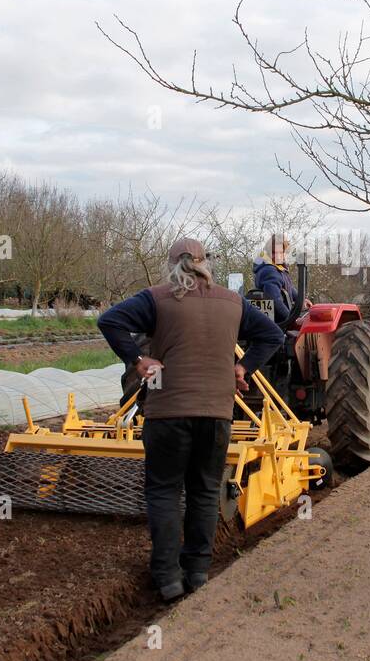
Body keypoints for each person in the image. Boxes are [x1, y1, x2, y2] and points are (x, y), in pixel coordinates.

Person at [97, 238, 284, 601]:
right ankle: (198, 572)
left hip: (168, 414)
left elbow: (110, 321)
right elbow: (272, 334)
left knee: (165, 492)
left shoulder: (157, 297)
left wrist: (138, 360)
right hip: (216, 415)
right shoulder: (232, 302)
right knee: (204, 491)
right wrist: (243, 367)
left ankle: (167, 578)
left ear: (172, 265)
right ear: (205, 264)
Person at [252, 233, 311, 324]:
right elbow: (275, 301)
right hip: (279, 322)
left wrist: (302, 300)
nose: (279, 256)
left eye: (281, 252)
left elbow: (289, 288)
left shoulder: (278, 269)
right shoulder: (269, 271)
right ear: (268, 253)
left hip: (285, 317)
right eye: (275, 253)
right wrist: (292, 321)